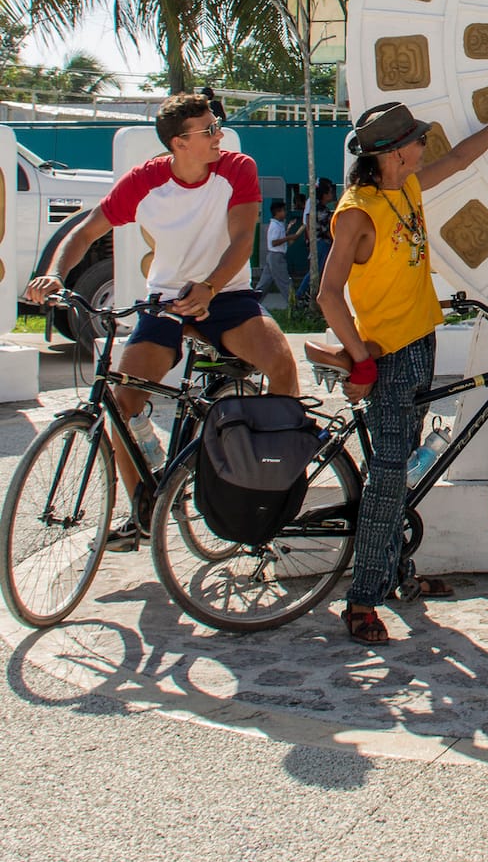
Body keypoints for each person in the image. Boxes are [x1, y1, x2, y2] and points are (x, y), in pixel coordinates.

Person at [318, 88, 488, 644]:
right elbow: (326, 295)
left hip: (422, 344)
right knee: (388, 478)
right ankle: (362, 601)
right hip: (389, 358)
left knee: (403, 474)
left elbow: (460, 160)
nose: (424, 147)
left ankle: (397, 573)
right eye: (417, 141)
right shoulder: (357, 213)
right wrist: (359, 359)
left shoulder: (407, 187)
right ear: (394, 153)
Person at [25, 91, 298, 548]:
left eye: (217, 126)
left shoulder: (236, 168)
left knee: (281, 363)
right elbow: (86, 228)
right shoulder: (146, 181)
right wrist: (53, 275)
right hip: (166, 299)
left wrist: (209, 287)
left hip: (225, 294)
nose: (218, 135)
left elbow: (239, 241)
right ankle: (142, 509)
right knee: (122, 400)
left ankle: (273, 472)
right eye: (208, 130)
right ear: (178, 143)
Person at [254, 198, 295, 312]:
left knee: (264, 283)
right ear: (278, 212)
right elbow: (274, 242)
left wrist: (288, 232)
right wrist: (289, 237)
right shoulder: (274, 226)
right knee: (284, 282)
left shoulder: (278, 225)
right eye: (283, 211)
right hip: (276, 257)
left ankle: (254, 303)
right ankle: (293, 306)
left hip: (272, 256)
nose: (285, 213)